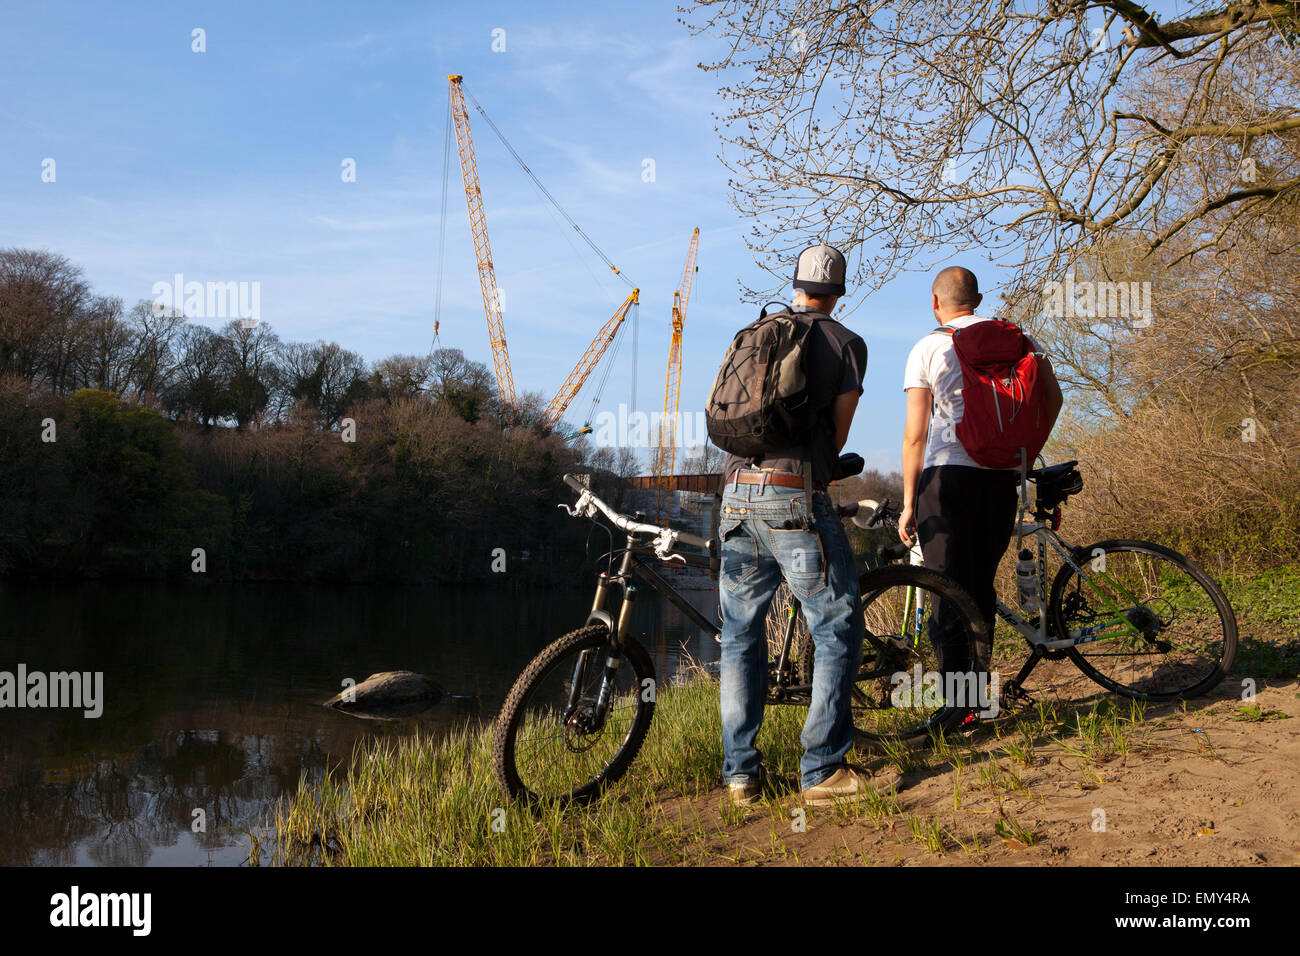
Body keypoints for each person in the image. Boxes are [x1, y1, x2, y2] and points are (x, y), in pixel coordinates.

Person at [718, 243, 874, 806]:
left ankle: (740, 775)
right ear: (837, 293)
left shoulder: (750, 333)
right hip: (793, 498)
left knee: (739, 635)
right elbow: (837, 436)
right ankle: (822, 770)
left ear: (795, 285)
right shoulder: (846, 344)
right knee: (835, 625)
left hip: (735, 495)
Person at [898, 267, 1063, 712]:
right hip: (999, 479)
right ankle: (976, 700)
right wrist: (1021, 456)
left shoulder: (929, 346)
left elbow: (915, 434)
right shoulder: (1020, 341)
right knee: (980, 591)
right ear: (978, 299)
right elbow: (1055, 398)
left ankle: (958, 709)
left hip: (946, 478)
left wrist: (910, 501)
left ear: (936, 302)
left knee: (948, 592)